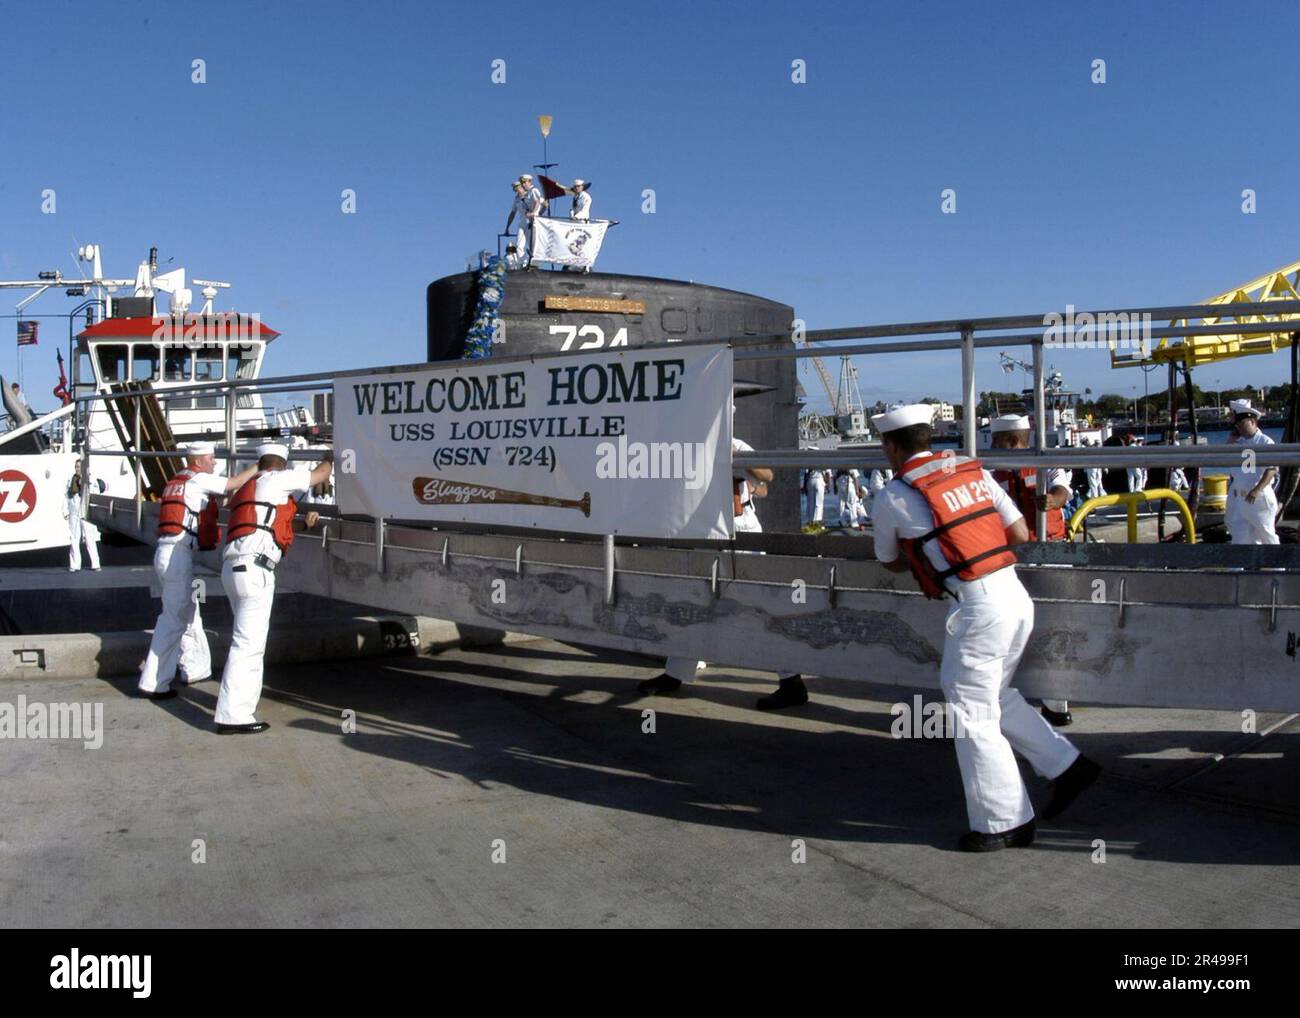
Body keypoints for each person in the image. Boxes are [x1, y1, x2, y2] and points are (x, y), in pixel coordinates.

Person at [869, 403, 1099, 851]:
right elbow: (1018, 535)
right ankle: (1067, 766)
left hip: (976, 609)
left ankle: (1004, 822)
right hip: (1015, 596)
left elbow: (890, 561)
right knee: (992, 696)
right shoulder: (971, 471)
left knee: (971, 713)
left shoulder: (892, 495)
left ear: (893, 448)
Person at [639, 420, 808, 711]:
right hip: (703, 531)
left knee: (757, 607)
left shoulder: (736, 442)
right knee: (693, 602)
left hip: (739, 530)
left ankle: (792, 681)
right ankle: (675, 673)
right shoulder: (683, 444)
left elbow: (767, 476)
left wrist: (730, 452)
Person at [214, 443, 333, 734]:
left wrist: (302, 525)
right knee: (248, 645)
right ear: (281, 462)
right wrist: (333, 455)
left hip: (234, 568)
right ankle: (233, 715)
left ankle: (242, 708)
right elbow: (320, 475)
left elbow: (269, 525)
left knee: (247, 643)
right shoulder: (276, 479)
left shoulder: (251, 488)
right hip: (255, 572)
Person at [137, 443, 257, 700]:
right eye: (212, 458)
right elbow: (230, 484)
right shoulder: (198, 479)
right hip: (178, 555)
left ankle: (195, 669)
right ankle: (154, 682)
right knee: (172, 620)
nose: (215, 463)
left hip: (168, 552)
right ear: (200, 460)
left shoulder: (177, 480)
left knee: (189, 613)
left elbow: (214, 499)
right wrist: (259, 466)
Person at [988, 414, 1075, 726]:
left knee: (1052, 626)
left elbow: (1062, 489)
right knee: (1012, 628)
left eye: (996, 441)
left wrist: (1052, 500)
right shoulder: (989, 471)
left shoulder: (1045, 462)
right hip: (1009, 557)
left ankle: (1056, 703)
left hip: (1047, 553)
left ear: (1011, 442)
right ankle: (1011, 698)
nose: (992, 447)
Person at [1225, 399, 1279, 545]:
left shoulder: (1264, 442)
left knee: (1266, 534)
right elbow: (1226, 460)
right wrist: (1231, 439)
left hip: (1257, 497)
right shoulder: (1238, 442)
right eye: (1237, 426)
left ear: (1253, 422)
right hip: (1239, 496)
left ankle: (1276, 567)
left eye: (1242, 424)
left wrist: (1257, 489)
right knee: (1240, 535)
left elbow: (1271, 469)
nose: (1240, 429)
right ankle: (1241, 566)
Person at [66, 462, 102, 572]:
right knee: (74, 538)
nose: (77, 469)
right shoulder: (71, 480)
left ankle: (95, 564)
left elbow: (96, 492)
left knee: (89, 538)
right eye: (76, 467)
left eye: (79, 467)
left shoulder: (90, 479)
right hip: (74, 512)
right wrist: (65, 510)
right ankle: (75, 564)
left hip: (85, 512)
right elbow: (67, 495)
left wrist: (84, 481)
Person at [504, 179, 530, 268]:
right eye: (515, 189)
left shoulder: (530, 195)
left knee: (532, 244)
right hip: (522, 223)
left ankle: (531, 263)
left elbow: (542, 203)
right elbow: (512, 213)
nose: (516, 190)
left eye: (517, 188)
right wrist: (507, 227)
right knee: (519, 245)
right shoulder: (516, 199)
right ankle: (523, 264)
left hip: (531, 222)